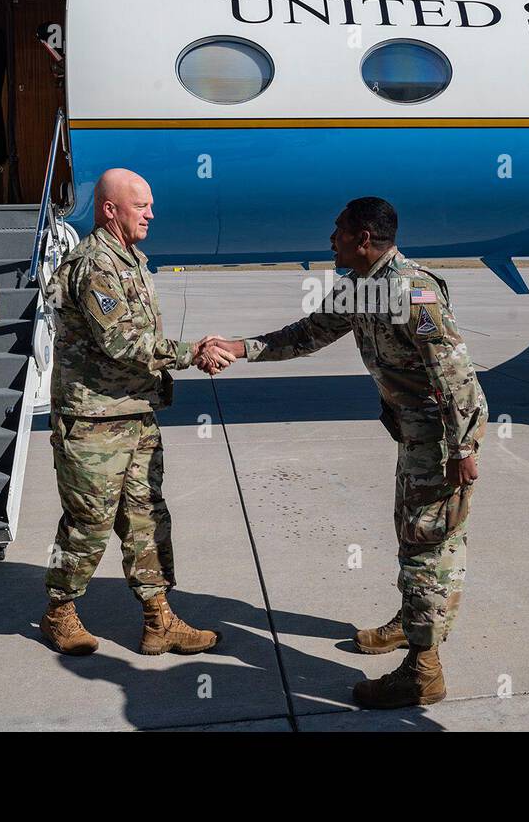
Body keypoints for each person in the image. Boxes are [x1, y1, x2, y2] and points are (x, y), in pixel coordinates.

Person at [201, 197, 487, 708]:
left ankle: (423, 672)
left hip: (441, 438)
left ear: (362, 239)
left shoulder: (412, 290)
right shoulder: (361, 286)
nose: (330, 239)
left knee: (428, 545)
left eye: (338, 231)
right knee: (411, 534)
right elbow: (309, 334)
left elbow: (455, 373)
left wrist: (463, 447)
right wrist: (238, 346)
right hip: (414, 432)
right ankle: (411, 623)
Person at [39, 168, 231, 657]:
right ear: (110, 209)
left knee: (147, 518)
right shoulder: (95, 265)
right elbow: (121, 340)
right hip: (93, 421)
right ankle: (59, 612)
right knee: (89, 523)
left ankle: (158, 618)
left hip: (135, 413)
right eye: (141, 205)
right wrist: (193, 352)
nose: (151, 213)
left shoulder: (129, 260)